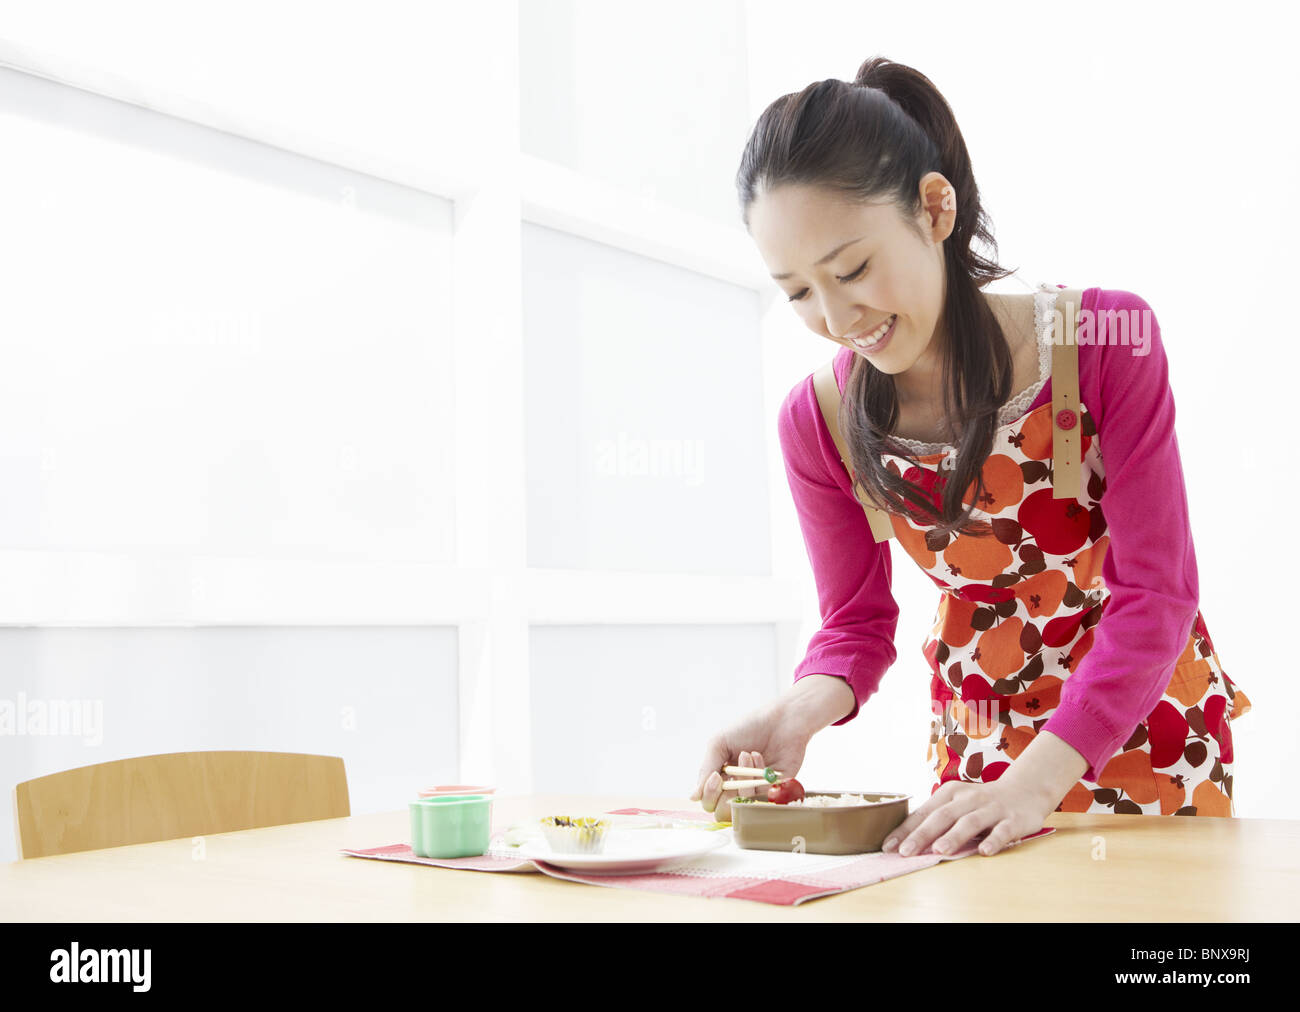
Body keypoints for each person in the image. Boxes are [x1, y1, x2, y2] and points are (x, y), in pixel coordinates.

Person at [689, 56, 1250, 857]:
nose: (838, 315)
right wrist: (796, 711)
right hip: (978, 760)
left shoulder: (1101, 344)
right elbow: (856, 621)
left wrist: (1037, 781)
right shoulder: (818, 423)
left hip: (1152, 742)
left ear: (934, 207)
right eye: (800, 292)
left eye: (851, 269)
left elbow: (1158, 593)